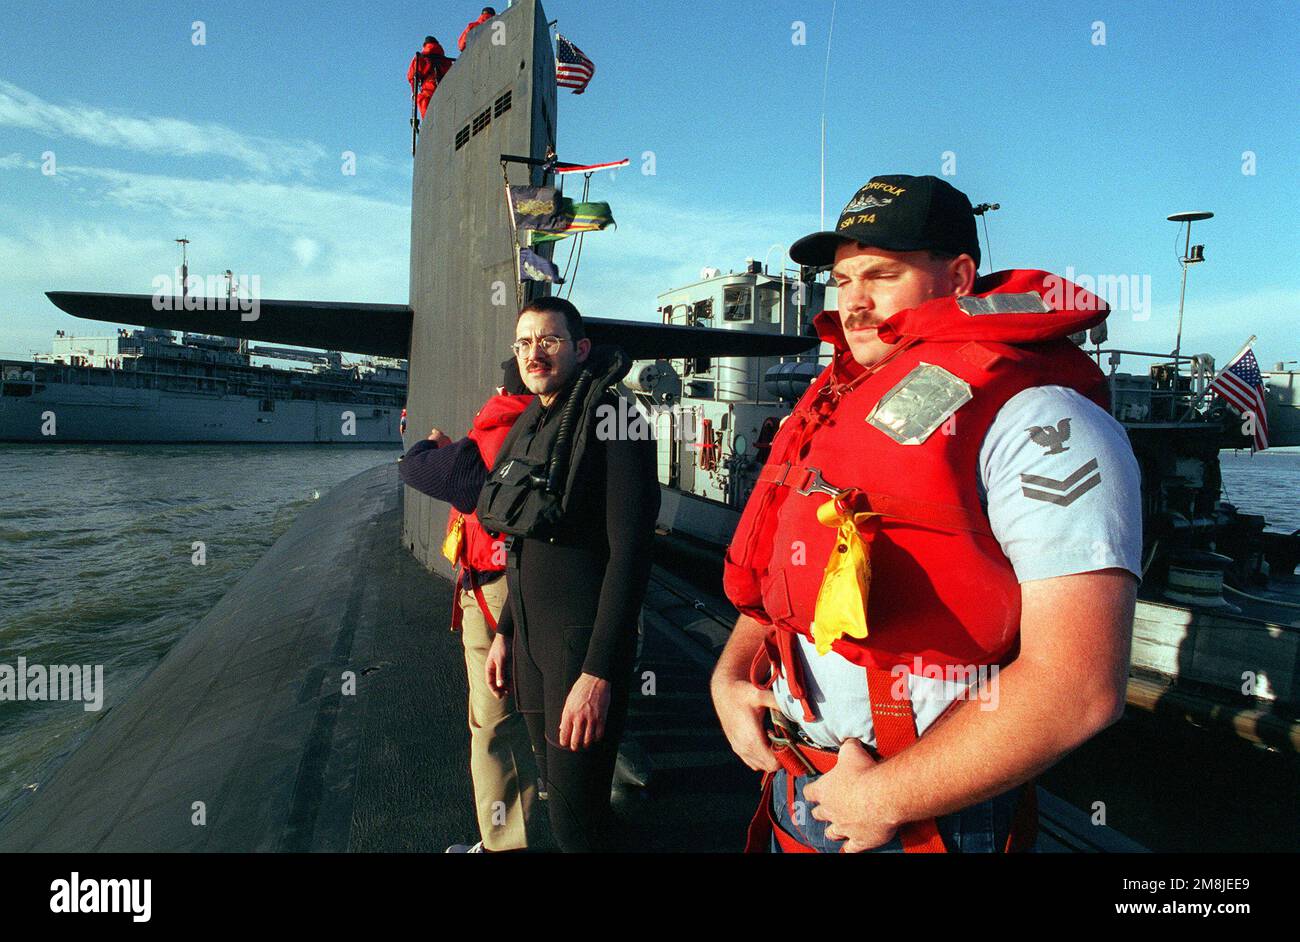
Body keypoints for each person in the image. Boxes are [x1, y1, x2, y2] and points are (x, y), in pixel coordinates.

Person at [713, 174, 1142, 853]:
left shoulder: (1042, 421)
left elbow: (1079, 686)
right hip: (795, 791)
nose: (854, 303)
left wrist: (885, 797)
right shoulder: (836, 406)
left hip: (917, 821)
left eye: (881, 276)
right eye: (842, 280)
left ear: (960, 277)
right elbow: (787, 577)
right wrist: (731, 672)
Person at [478, 297, 659, 852]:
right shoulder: (538, 419)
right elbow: (526, 539)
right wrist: (507, 631)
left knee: (578, 824)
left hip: (578, 647)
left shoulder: (616, 415)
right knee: (558, 796)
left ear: (580, 348)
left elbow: (630, 551)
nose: (535, 352)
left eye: (549, 340)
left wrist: (599, 670)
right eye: (524, 342)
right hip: (533, 644)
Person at [397, 360, 537, 853]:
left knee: (493, 720)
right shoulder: (552, 431)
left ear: (503, 389)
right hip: (538, 589)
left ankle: (506, 843)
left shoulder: (483, 445)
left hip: (494, 593)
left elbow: (413, 468)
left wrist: (433, 445)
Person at [407, 36, 453, 120]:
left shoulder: (420, 57)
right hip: (445, 89)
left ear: (425, 45)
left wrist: (414, 92)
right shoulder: (446, 60)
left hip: (429, 88)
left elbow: (412, 76)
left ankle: (428, 127)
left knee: (423, 102)